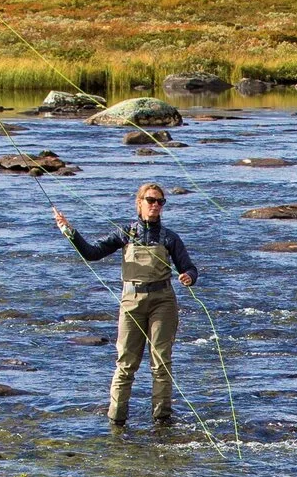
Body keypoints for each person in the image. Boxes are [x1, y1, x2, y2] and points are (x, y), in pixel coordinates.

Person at [54, 183, 198, 428]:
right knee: (126, 364)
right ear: (139, 203)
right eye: (151, 200)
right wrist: (70, 232)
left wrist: (189, 277)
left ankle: (162, 420)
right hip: (131, 302)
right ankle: (116, 420)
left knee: (161, 363)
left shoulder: (170, 238)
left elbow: (190, 268)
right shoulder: (125, 233)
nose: (155, 205)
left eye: (160, 202)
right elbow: (92, 253)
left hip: (163, 301)